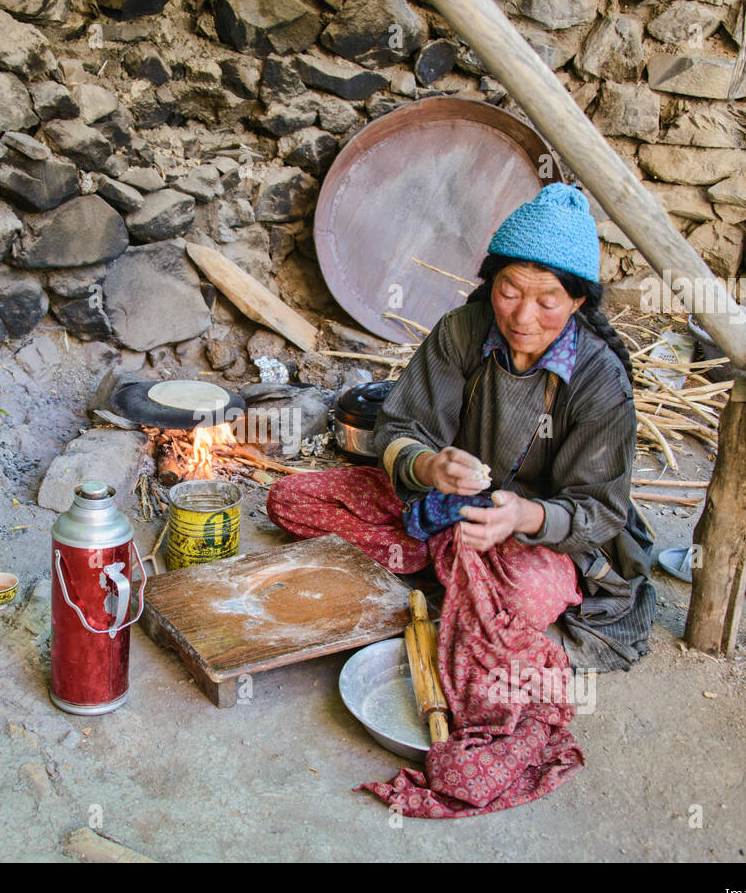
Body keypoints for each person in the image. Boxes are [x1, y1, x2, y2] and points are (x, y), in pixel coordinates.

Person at [267, 183, 656, 672]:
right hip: (436, 504)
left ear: (578, 302)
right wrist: (429, 465)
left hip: (529, 531)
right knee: (291, 499)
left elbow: (598, 511)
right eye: (509, 291)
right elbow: (400, 426)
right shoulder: (462, 330)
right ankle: (449, 569)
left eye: (548, 302)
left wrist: (522, 517)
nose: (522, 316)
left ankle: (445, 568)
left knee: (528, 601)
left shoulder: (599, 379)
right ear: (491, 284)